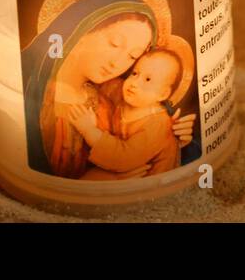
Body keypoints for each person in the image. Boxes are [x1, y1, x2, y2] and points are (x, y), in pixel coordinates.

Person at [20, 0, 196, 179]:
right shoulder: (32, 89)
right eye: (114, 44)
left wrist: (174, 137)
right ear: (81, 30)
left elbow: (134, 151)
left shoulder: (105, 103)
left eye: (132, 56)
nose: (117, 63)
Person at [68, 44, 189, 179]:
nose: (134, 83)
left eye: (147, 79)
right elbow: (106, 84)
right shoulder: (124, 95)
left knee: (91, 180)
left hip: (148, 184)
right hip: (121, 170)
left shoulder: (158, 124)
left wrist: (89, 130)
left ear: (162, 94)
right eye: (135, 73)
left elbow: (124, 158)